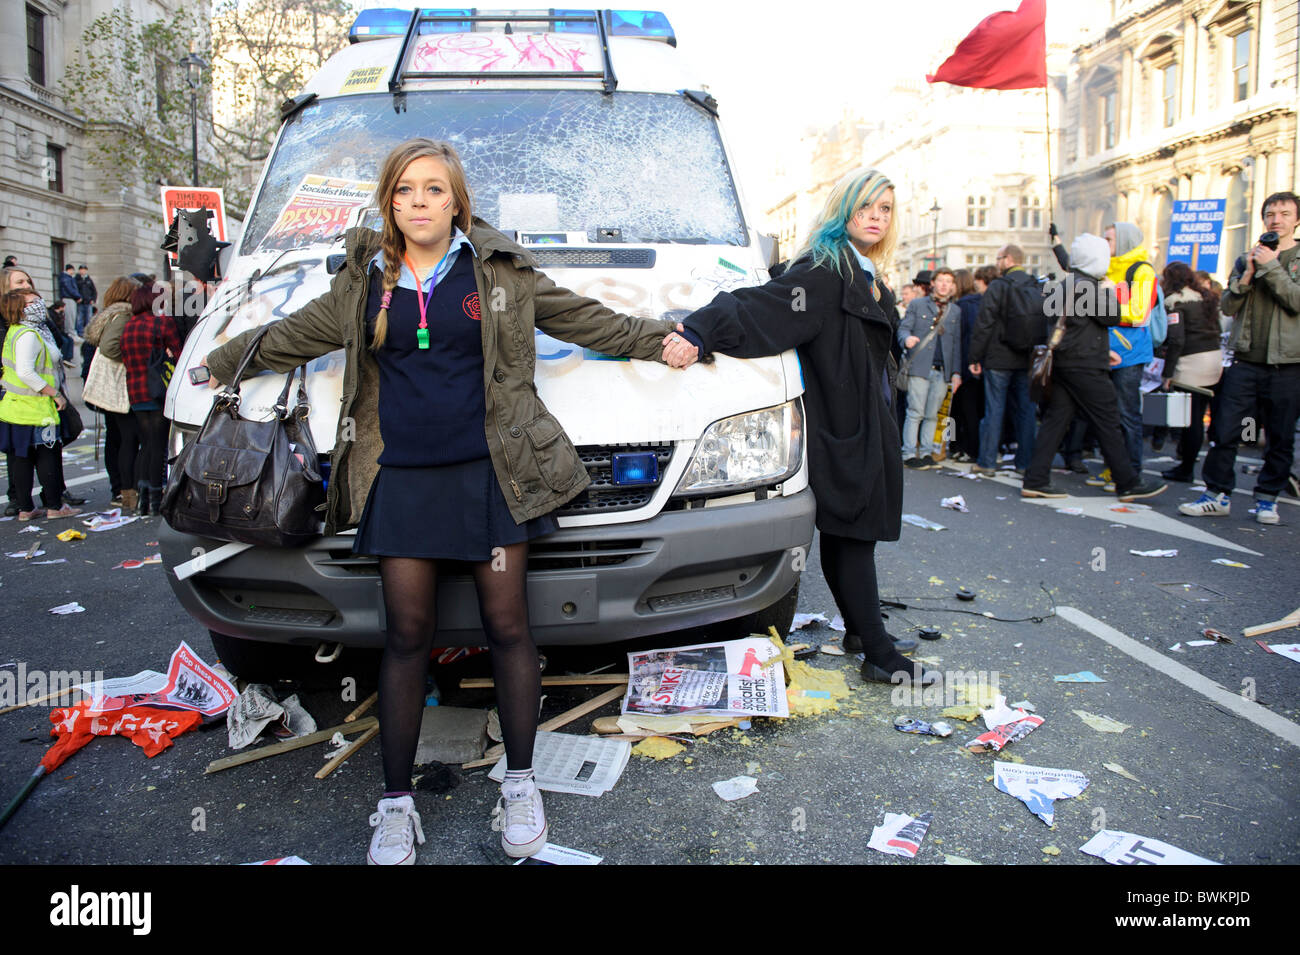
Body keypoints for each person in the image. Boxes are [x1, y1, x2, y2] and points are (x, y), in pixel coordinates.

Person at [204, 138, 679, 865]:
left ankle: (520, 783)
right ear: (388, 202)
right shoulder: (365, 279)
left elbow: (582, 317)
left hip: (492, 475)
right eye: (404, 191)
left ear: (456, 199)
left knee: (509, 626)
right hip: (405, 480)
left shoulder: (499, 273)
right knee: (405, 635)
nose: (417, 202)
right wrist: (218, 361)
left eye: (432, 189)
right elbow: (296, 334)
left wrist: (662, 342)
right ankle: (395, 804)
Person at [663, 167, 938, 690]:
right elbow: (759, 307)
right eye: (865, 207)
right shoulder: (826, 268)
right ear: (843, 210)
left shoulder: (860, 269)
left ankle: (862, 631)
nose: (876, 217)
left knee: (852, 531)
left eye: (884, 209)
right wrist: (700, 331)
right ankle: (878, 654)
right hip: (842, 419)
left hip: (863, 416)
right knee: (852, 532)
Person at [1179, 191, 1300, 524]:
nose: (1276, 220)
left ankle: (1266, 498)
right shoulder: (1245, 258)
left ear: (1296, 220)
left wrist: (1271, 267)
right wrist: (1247, 275)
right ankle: (1216, 493)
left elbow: (1296, 301)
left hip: (1287, 364)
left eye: (1284, 214)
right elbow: (1228, 306)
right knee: (1226, 429)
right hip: (1245, 361)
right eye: (1270, 214)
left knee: (1279, 435)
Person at [1018, 234, 1166, 501]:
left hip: (1062, 361)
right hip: (1085, 364)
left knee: (1055, 421)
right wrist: (1109, 290)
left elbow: (1066, 325)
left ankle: (1036, 479)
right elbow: (1112, 315)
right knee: (1109, 421)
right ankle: (1128, 482)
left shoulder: (1058, 286)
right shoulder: (1091, 287)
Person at [0, 290, 80, 520]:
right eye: (33, 302)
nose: (39, 304)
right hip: (35, 407)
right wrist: (55, 393)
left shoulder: (16, 332)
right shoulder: (29, 335)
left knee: (22, 459)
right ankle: (55, 506)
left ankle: (26, 509)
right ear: (20, 308)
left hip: (16, 407)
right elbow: (26, 372)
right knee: (47, 456)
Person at [1089, 221, 1157, 492]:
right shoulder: (1105, 268)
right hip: (1104, 351)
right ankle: (1114, 467)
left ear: (1126, 241)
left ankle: (1131, 472)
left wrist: (1108, 295)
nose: (1105, 244)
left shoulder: (1142, 270)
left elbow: (1139, 312)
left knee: (1127, 414)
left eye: (1109, 239)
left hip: (1129, 354)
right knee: (1109, 415)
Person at [968, 245, 1040, 474]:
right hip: (1027, 356)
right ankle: (1025, 462)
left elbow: (984, 323)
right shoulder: (1036, 284)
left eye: (999, 258)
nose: (997, 262)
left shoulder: (998, 286)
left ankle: (987, 462)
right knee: (1026, 412)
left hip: (998, 356)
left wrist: (975, 356)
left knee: (994, 411)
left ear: (1007, 260)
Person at [1158, 263, 1224, 483]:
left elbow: (1176, 340)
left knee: (1191, 419)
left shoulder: (1175, 301)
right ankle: (1192, 464)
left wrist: (1167, 372)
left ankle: (1186, 467)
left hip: (1190, 364)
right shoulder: (1207, 297)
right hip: (1214, 361)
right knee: (1202, 416)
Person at [83, 276, 142, 507]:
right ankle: (125, 489)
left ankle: (118, 488)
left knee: (115, 438)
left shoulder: (108, 314)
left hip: (108, 389)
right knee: (128, 438)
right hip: (118, 386)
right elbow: (110, 348)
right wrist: (132, 358)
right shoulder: (124, 314)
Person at [898, 266, 961, 468]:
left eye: (948, 281)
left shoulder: (955, 311)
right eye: (941, 280)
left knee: (932, 414)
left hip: (942, 371)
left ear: (953, 286)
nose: (944, 285)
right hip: (920, 366)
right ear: (933, 283)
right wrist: (907, 340)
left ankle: (926, 453)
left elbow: (957, 343)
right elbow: (904, 328)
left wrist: (956, 372)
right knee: (915, 411)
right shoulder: (917, 305)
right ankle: (908, 453)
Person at [950, 266, 990, 461]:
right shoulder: (981, 303)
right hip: (977, 362)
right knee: (971, 410)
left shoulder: (961, 306)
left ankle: (961, 446)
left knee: (961, 410)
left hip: (963, 363)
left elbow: (960, 338)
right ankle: (965, 446)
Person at [75, 265, 97, 337]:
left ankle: (88, 333)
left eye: (84, 270)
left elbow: (94, 291)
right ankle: (80, 333)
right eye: (81, 269)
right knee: (79, 318)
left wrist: (93, 299)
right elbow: (75, 290)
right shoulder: (76, 279)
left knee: (89, 319)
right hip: (80, 302)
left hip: (88, 302)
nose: (83, 271)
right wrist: (77, 298)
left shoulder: (89, 280)